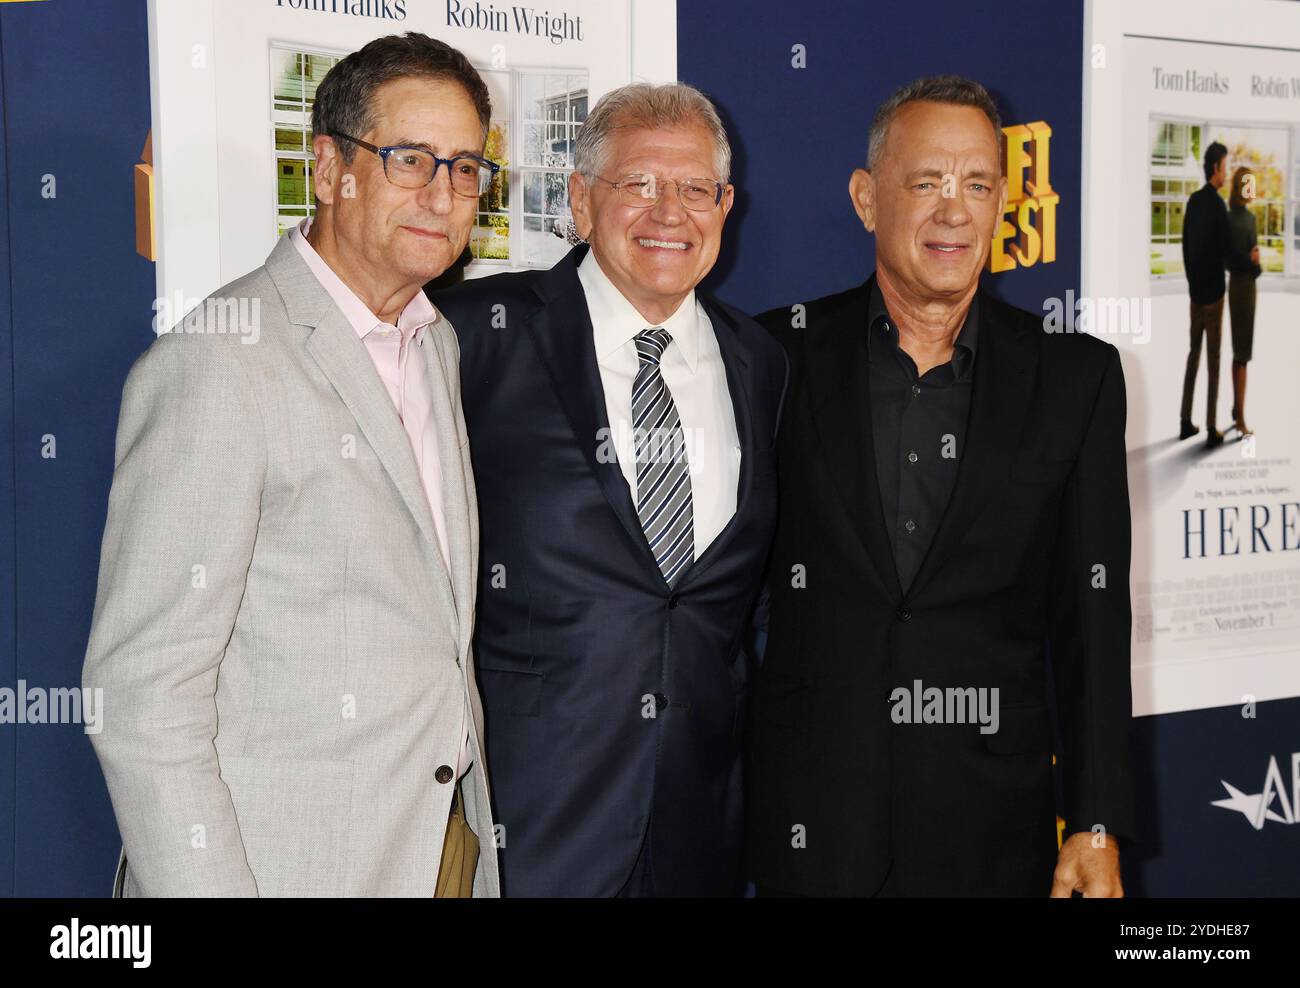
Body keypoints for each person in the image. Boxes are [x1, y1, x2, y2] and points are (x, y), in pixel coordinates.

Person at [82, 33, 499, 897]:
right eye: (409, 158)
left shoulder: (435, 342)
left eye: (464, 168)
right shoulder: (220, 360)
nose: (442, 193)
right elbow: (141, 696)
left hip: (436, 850)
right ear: (328, 168)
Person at [747, 75, 1134, 897]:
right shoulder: (777, 356)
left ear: (1004, 204)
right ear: (866, 198)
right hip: (810, 820)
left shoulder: (1077, 377)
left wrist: (1095, 822)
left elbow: (1092, 620)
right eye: (926, 183)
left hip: (992, 825)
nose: (954, 210)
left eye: (978, 185)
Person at [431, 82, 786, 897]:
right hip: (528, 826)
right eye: (640, 185)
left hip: (699, 829)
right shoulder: (471, 334)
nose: (671, 213)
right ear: (582, 203)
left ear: (726, 206)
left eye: (696, 188)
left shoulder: (760, 362)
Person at [1179, 141, 1230, 448]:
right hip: (1213, 297)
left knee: (1192, 356)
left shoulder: (1194, 202)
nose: (1227, 173)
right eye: (1226, 166)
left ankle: (1185, 421)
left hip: (1195, 295)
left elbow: (1187, 248)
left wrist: (1193, 287)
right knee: (1213, 361)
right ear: (1216, 168)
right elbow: (1225, 252)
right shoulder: (1218, 206)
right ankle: (1211, 427)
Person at [1225, 165, 1261, 436]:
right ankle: (1240, 420)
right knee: (1242, 354)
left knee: (1240, 352)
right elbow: (1249, 260)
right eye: (1249, 185)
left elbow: (1238, 259)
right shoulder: (1246, 220)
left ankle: (1238, 408)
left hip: (1238, 286)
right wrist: (1253, 263)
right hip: (1245, 288)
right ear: (1241, 187)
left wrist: (1253, 262)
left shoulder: (1233, 218)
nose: (1253, 190)